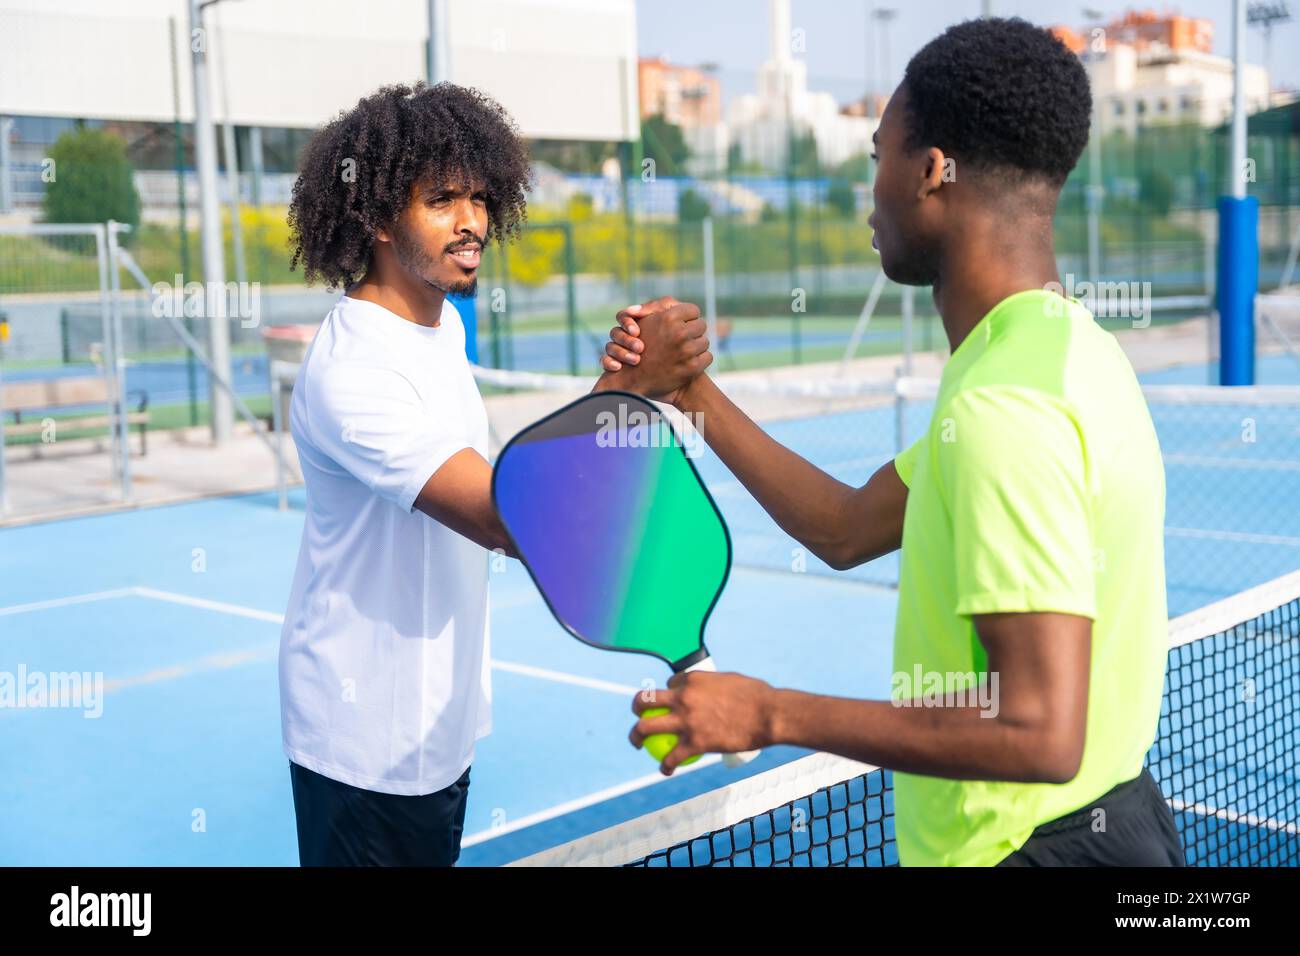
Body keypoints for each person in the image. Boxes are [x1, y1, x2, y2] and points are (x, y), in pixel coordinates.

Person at [601, 18, 1182, 866]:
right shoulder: (1064, 350)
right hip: (1119, 826)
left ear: (932, 170)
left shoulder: (1001, 407)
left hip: (1022, 851)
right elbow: (844, 527)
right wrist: (691, 391)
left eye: (880, 155)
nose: (869, 189)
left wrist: (769, 714)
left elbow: (1041, 731)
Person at [281, 82, 708, 866]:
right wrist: (622, 396)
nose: (472, 220)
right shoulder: (355, 372)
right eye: (441, 199)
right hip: (367, 742)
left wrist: (610, 398)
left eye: (479, 197)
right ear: (376, 217)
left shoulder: (436, 327)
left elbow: (512, 487)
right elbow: (508, 518)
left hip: (438, 724)